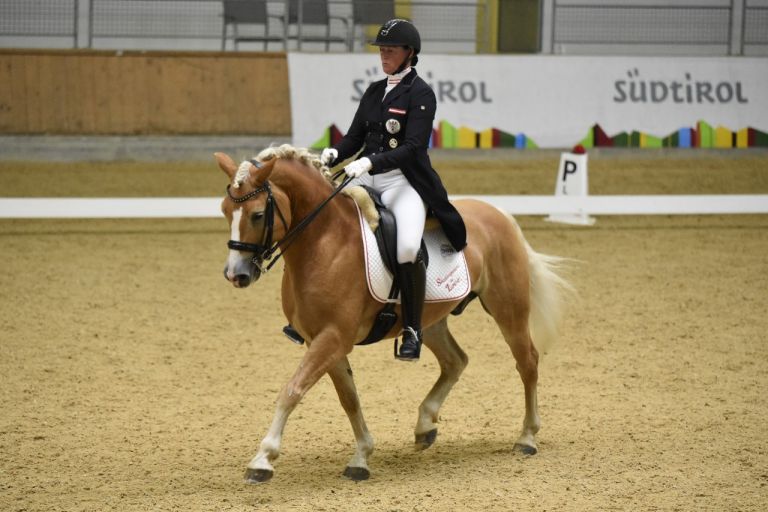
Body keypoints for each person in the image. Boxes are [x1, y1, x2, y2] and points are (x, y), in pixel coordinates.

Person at [319, 18, 468, 361]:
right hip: (366, 176)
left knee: (405, 247)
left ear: (409, 53)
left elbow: (414, 146)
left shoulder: (421, 94)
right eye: (381, 50)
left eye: (390, 50)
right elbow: (354, 138)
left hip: (404, 182)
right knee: (326, 220)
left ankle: (412, 329)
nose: (383, 55)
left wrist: (371, 163)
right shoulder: (374, 90)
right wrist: (335, 153)